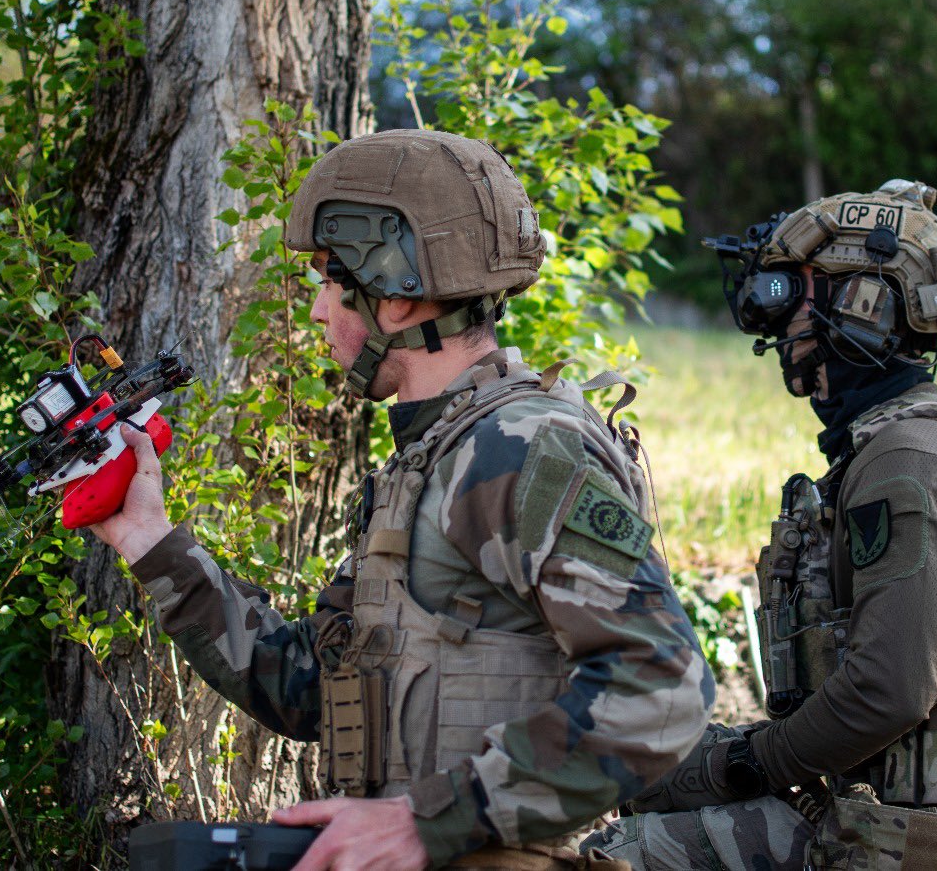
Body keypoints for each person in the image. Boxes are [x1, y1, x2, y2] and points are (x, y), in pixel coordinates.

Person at [91, 128, 714, 871]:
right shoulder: (435, 456)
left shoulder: (518, 447)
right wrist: (149, 539)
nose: (316, 312)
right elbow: (306, 687)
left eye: (329, 282)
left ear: (394, 291)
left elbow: (663, 686)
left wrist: (427, 823)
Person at [584, 179, 937, 870]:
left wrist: (738, 764)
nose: (776, 319)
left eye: (791, 293)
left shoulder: (908, 464)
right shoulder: (906, 447)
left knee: (617, 856)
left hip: (935, 843)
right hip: (906, 817)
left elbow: (890, 692)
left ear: (860, 308)